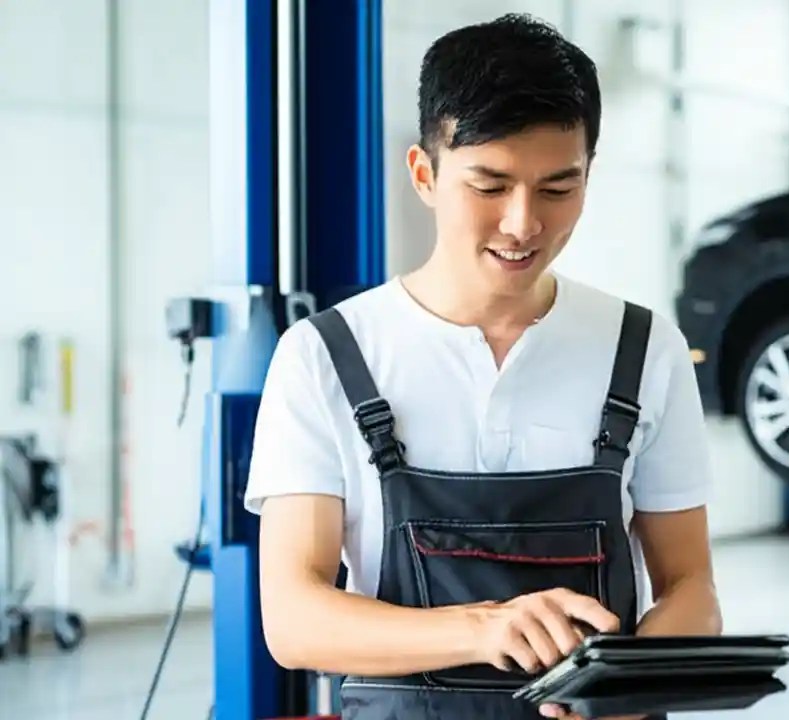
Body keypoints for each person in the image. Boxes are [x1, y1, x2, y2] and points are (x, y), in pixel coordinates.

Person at [243, 14, 721, 720]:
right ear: (424, 173)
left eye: (559, 189)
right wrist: (486, 625)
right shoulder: (326, 356)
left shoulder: (644, 349)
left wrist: (626, 689)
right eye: (489, 186)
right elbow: (293, 620)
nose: (524, 223)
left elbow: (692, 591)